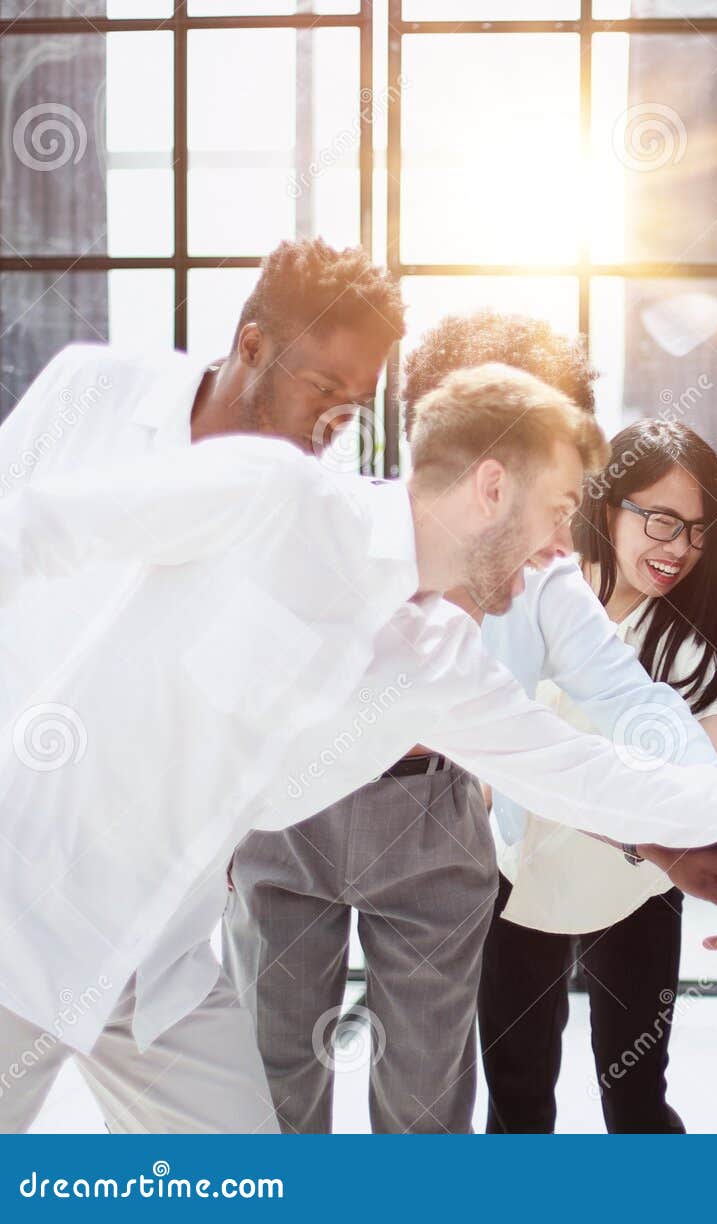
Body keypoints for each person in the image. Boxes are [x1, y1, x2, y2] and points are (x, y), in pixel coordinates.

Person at [0, 363, 717, 1134]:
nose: (558, 548)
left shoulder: (437, 657)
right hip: (26, 905)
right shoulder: (280, 499)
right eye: (556, 512)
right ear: (492, 488)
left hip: (156, 961)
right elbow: (37, 528)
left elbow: (585, 770)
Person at [0, 237, 403, 1134]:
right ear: (252, 346)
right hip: (17, 899)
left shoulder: (308, 516)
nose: (332, 424)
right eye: (322, 390)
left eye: (354, 407)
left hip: (156, 948)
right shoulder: (91, 391)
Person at [476, 418, 717, 1133]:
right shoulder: (536, 591)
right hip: (519, 873)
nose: (680, 550)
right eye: (663, 522)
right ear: (608, 507)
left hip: (637, 882)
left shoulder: (687, 643)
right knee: (516, 1098)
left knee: (634, 1099)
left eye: (698, 532)